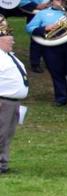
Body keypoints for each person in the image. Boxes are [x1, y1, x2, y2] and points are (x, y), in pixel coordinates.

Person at [26, 0, 67, 108]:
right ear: (52, 1)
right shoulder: (43, 13)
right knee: (57, 73)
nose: (60, 1)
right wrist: (45, 28)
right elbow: (29, 28)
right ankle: (61, 98)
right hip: (51, 46)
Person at [0, 22, 28, 175]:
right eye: (10, 40)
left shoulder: (9, 56)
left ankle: (2, 164)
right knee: (1, 134)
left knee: (7, 134)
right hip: (3, 101)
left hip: (12, 103)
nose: (13, 42)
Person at [17, 0, 50, 73]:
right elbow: (22, 1)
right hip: (36, 16)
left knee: (52, 39)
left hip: (53, 16)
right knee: (36, 40)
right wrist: (36, 6)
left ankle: (49, 62)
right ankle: (35, 64)